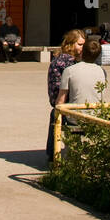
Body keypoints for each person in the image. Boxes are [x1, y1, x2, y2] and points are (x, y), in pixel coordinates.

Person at [46, 28, 86, 160]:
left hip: (64, 103)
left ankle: (52, 154)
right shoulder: (67, 63)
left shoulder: (63, 60)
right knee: (57, 114)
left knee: (55, 115)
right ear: (70, 44)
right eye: (80, 45)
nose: (83, 48)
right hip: (67, 104)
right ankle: (55, 154)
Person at [57, 38, 107, 107]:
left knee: (54, 113)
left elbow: (60, 101)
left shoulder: (69, 70)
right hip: (96, 114)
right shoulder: (102, 71)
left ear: (82, 51)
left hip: (75, 115)